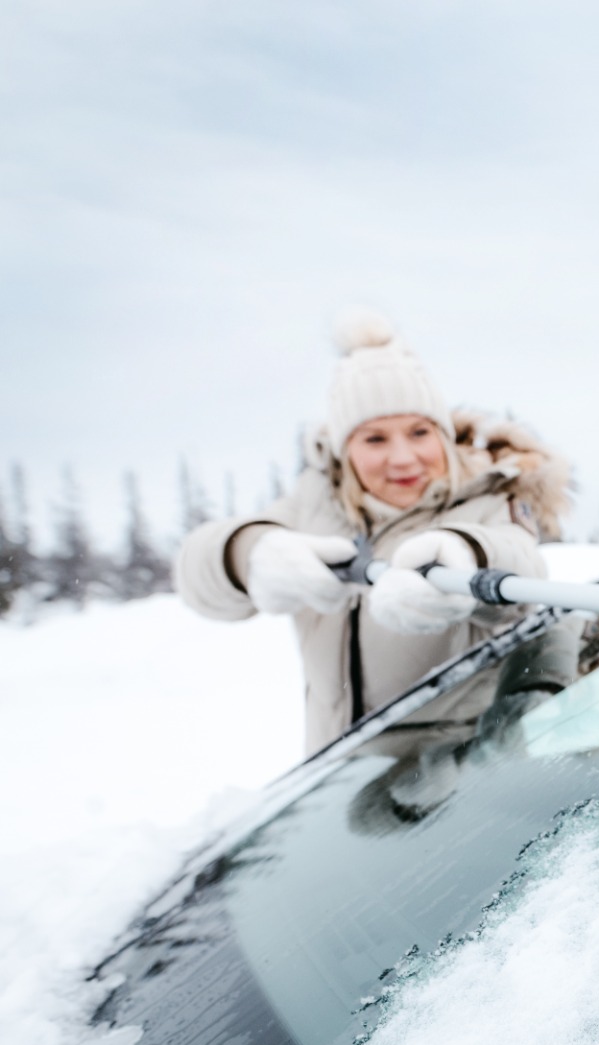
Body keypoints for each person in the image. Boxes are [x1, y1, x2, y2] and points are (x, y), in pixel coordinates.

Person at [176, 309, 574, 754]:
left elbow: (522, 571)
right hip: (331, 785)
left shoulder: (487, 501)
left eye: (419, 431)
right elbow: (196, 577)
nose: (403, 458)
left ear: (443, 435)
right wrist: (245, 554)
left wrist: (468, 558)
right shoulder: (313, 503)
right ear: (345, 450)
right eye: (375, 439)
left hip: (458, 789)